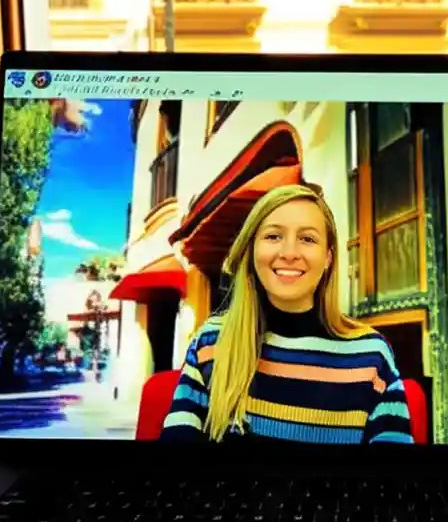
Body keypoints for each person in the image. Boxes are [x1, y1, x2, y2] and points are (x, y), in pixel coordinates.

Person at [159, 183, 414, 444]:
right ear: (252, 250)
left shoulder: (372, 355)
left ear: (328, 258)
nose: (289, 253)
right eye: (273, 236)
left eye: (307, 239)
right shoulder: (211, 342)